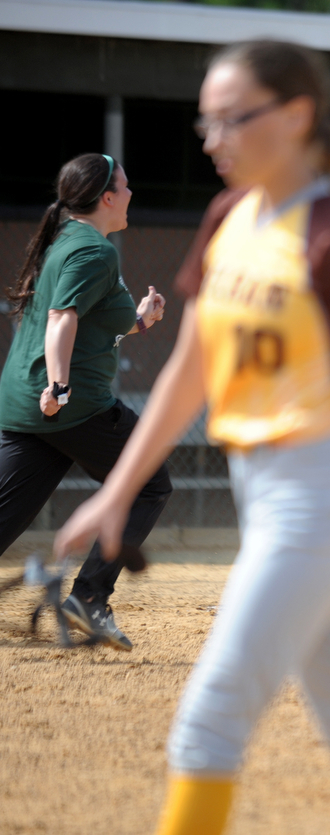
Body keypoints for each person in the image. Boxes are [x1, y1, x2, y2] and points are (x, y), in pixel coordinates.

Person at [54, 39, 330, 834]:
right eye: (207, 119)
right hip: (262, 492)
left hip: (318, 499)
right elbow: (187, 372)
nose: (210, 137)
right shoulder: (230, 216)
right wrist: (117, 492)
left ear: (296, 117)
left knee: (208, 721)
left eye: (232, 118)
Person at [0, 152, 170, 651]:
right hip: (70, 406)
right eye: (126, 185)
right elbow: (61, 319)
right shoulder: (95, 252)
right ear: (107, 198)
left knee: (6, 514)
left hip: (25, 405)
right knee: (149, 482)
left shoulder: (70, 241)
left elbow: (91, 324)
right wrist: (59, 384)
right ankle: (89, 598)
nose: (132, 194)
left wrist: (139, 320)